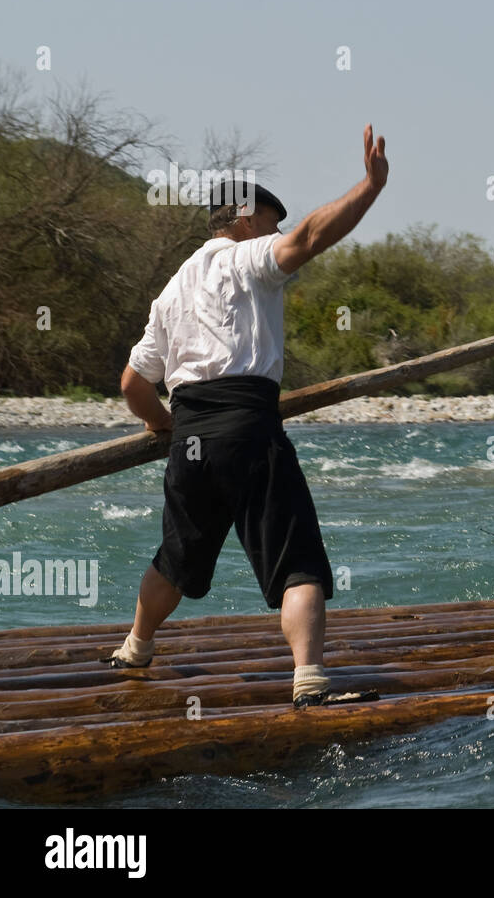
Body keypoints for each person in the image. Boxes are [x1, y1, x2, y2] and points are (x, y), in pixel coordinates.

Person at [106, 124, 390, 708]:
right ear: (243, 217)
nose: (276, 230)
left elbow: (133, 385)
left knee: (176, 555)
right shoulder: (244, 259)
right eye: (269, 219)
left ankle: (135, 646)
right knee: (298, 561)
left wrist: (165, 428)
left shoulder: (172, 287)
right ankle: (309, 678)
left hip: (189, 434)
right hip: (247, 426)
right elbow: (309, 236)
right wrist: (369, 185)